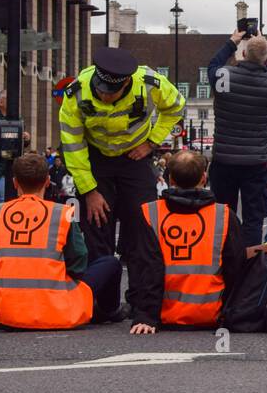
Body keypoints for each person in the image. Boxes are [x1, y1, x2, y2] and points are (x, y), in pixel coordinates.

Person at [58, 46, 187, 308]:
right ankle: (103, 304)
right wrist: (90, 191)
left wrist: (151, 143)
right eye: (101, 90)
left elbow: (176, 108)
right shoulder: (77, 91)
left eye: (111, 92)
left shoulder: (149, 83)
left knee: (142, 228)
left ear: (127, 82)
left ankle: (141, 301)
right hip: (97, 160)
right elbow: (72, 144)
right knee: (96, 228)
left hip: (134, 159)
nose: (104, 97)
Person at [0, 152, 123, 330]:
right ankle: (109, 312)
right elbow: (78, 264)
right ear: (47, 181)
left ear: (15, 182)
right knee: (111, 263)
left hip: (2, 314)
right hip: (55, 311)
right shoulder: (62, 213)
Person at [127, 149, 245, 333]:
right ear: (204, 178)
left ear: (170, 179)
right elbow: (235, 267)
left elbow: (145, 266)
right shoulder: (224, 215)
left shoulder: (149, 213)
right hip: (212, 313)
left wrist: (145, 316)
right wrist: (231, 313)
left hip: (163, 314)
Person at [207, 29, 267, 247]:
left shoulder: (224, 76)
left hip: (224, 159)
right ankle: (250, 264)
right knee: (253, 218)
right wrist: (263, 45)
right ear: (266, 59)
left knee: (224, 214)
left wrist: (232, 42)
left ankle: (225, 257)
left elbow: (212, 65)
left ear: (242, 55)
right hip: (256, 162)